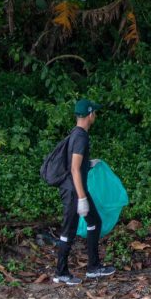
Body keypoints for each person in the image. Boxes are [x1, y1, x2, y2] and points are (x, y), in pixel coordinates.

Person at [53, 99, 116, 285]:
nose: (95, 116)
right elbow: (74, 168)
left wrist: (89, 164)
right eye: (94, 113)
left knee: (94, 222)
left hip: (76, 188)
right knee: (68, 230)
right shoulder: (81, 137)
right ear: (90, 115)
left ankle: (93, 267)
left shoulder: (76, 133)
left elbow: (77, 164)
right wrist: (81, 198)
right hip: (74, 191)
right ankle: (61, 272)